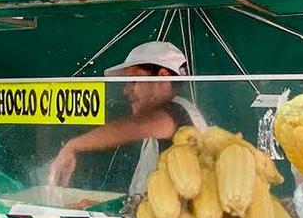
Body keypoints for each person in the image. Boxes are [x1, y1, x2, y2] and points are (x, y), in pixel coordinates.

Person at [49, 41, 206, 194]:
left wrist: (72, 146)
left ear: (163, 77)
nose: (126, 90)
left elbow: (135, 126)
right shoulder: (160, 120)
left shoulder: (175, 112)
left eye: (134, 81)